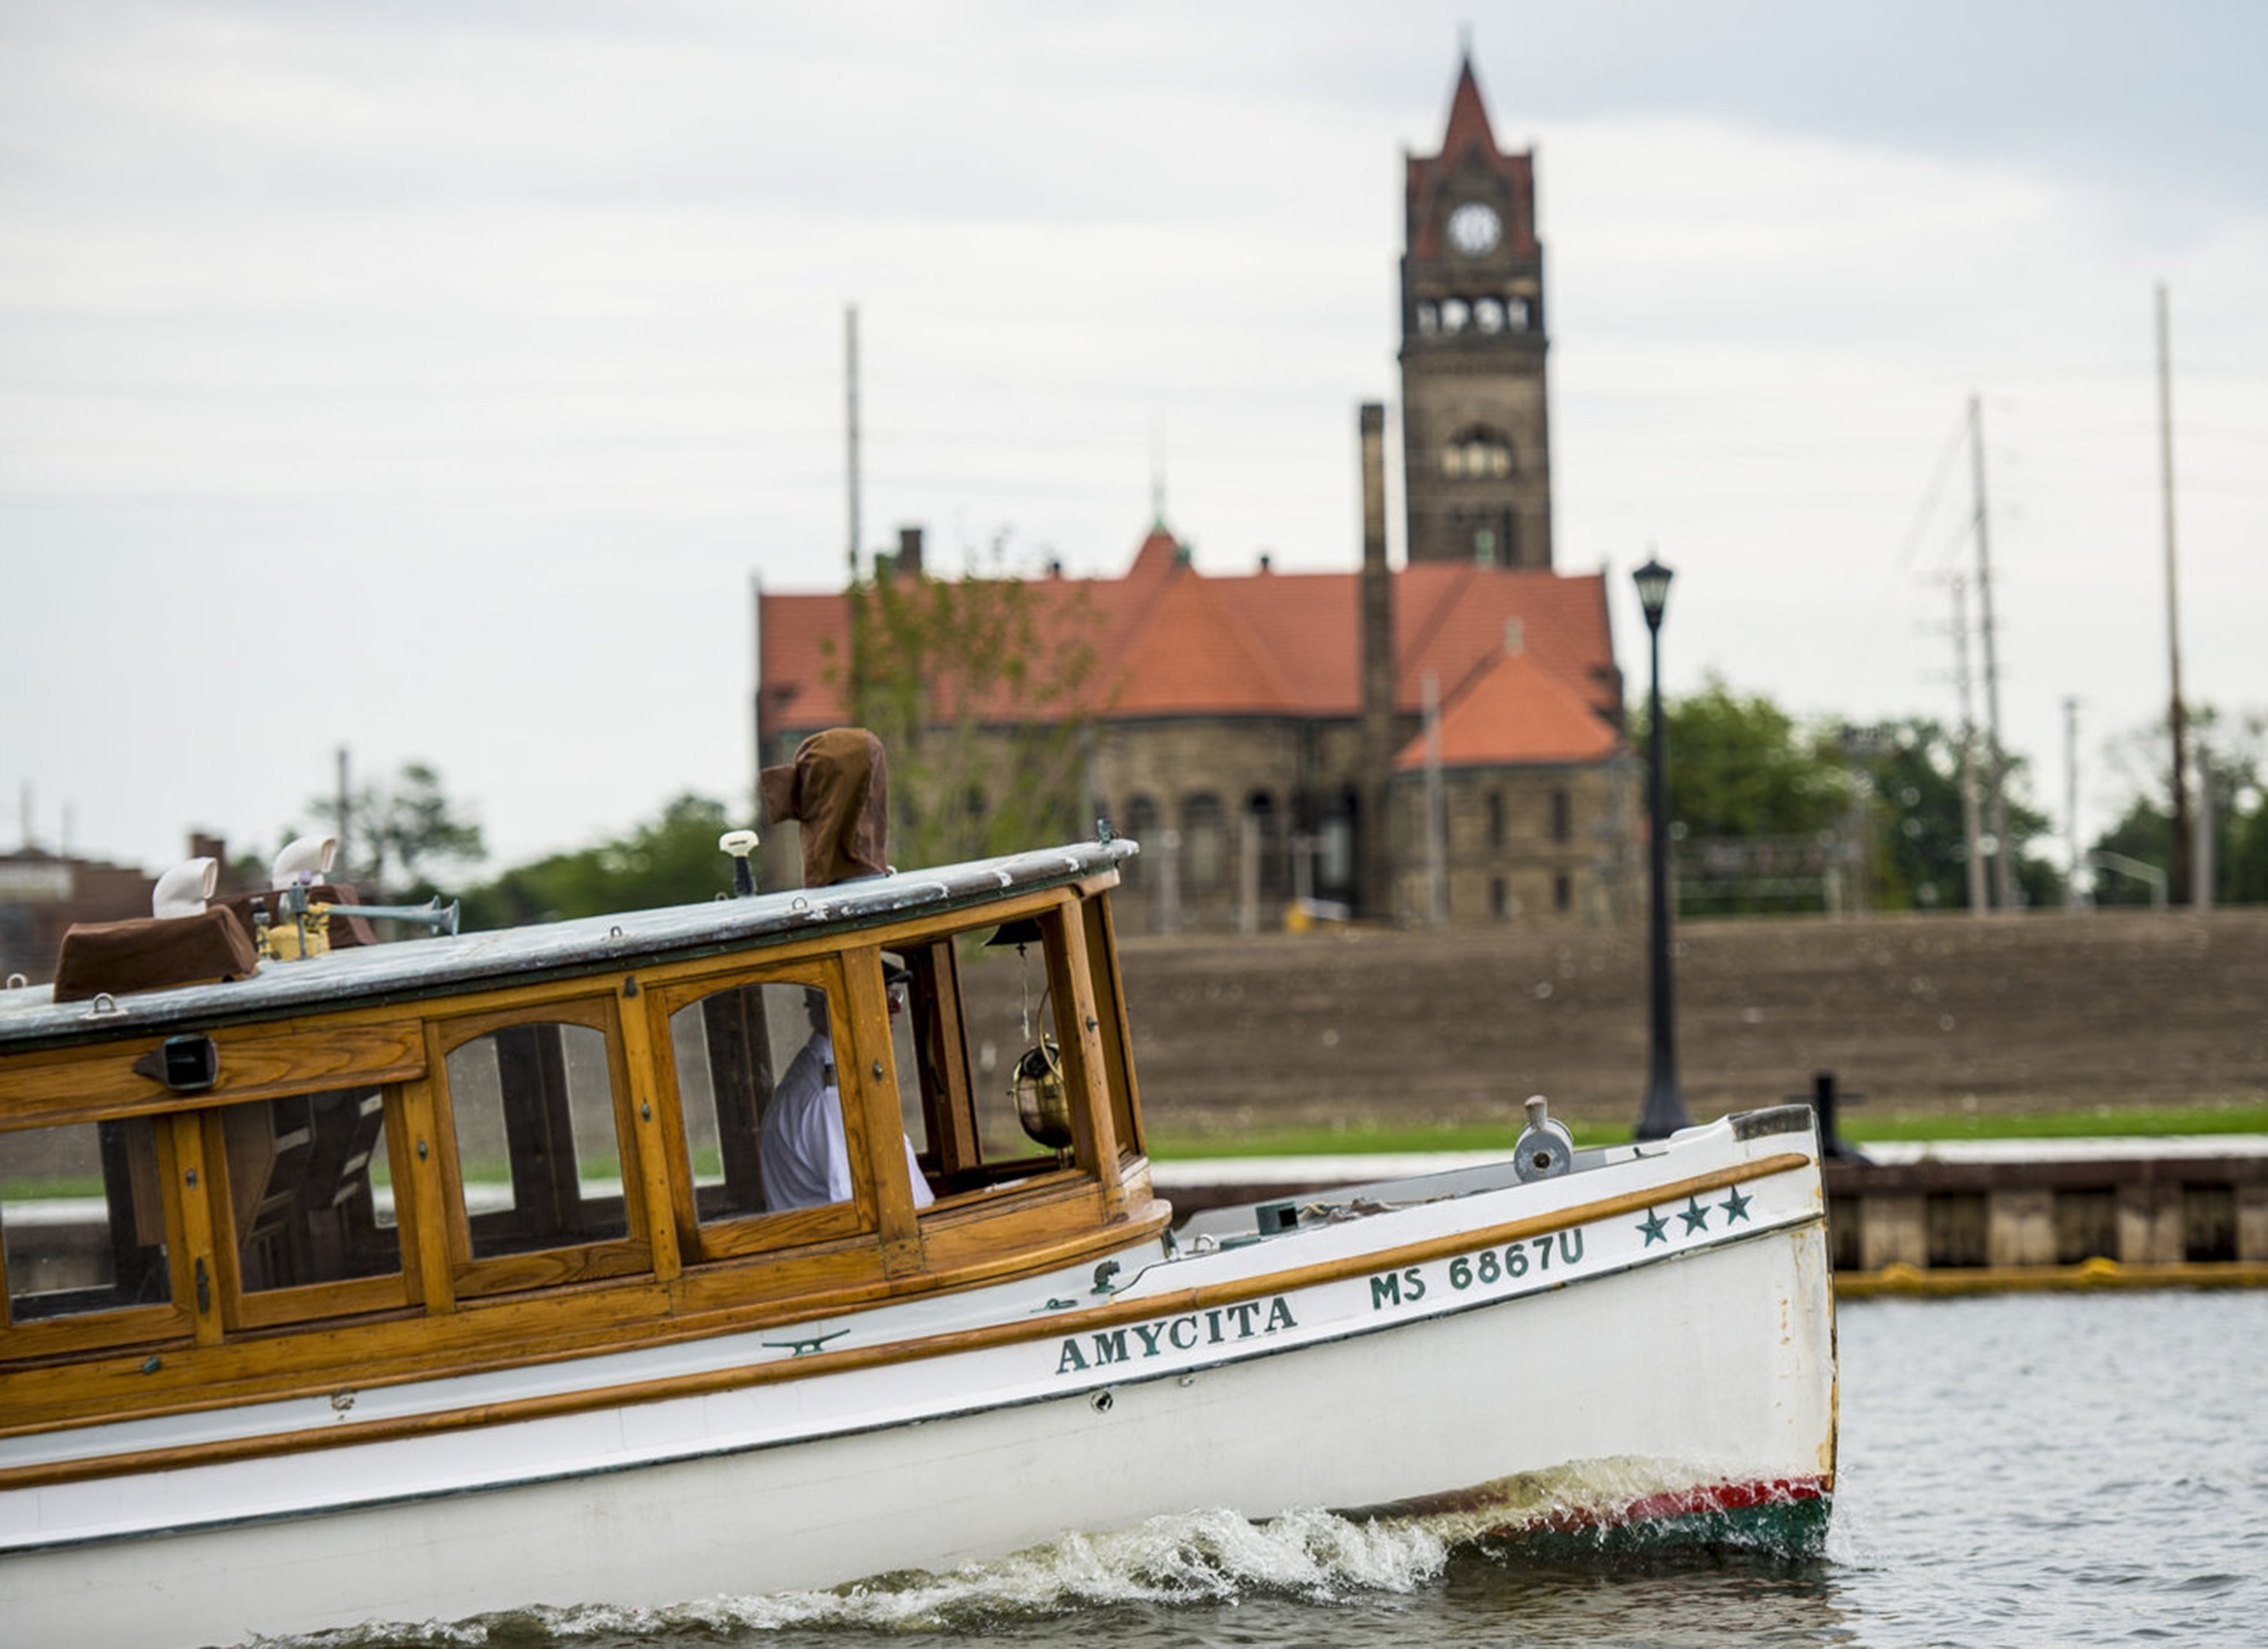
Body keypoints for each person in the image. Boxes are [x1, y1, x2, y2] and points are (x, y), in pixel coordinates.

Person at [759, 984, 935, 1213]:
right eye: (881, 992)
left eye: (894, 994)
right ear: (838, 1003)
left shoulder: (840, 1078)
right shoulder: (829, 1097)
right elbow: (869, 1212)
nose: (896, 1006)